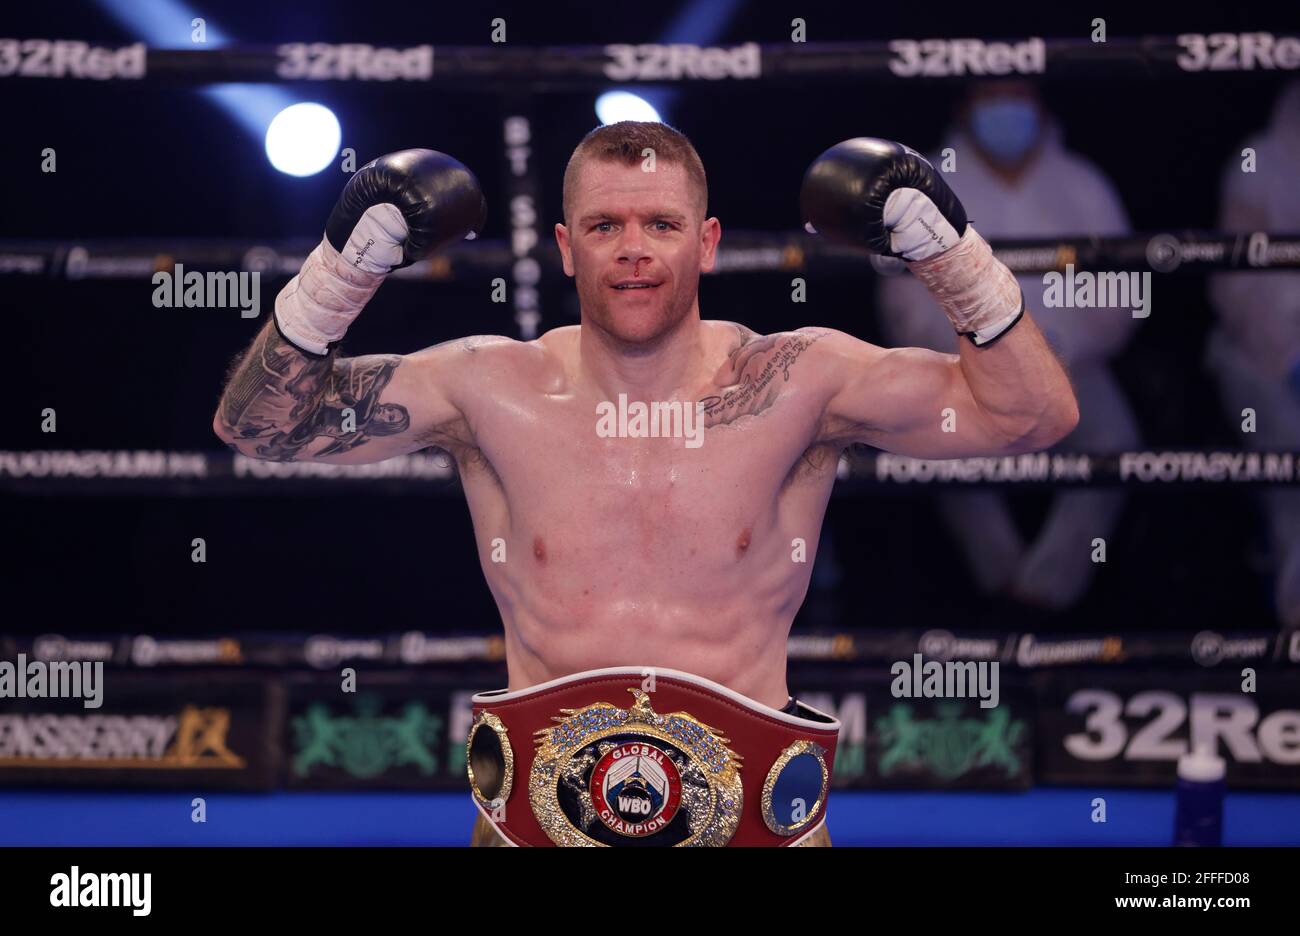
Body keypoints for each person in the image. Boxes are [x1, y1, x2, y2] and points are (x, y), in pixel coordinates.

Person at [213, 123, 1078, 846]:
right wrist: (343, 269)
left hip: (751, 820)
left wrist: (949, 253)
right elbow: (261, 429)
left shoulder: (796, 381)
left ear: (705, 242)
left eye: (661, 224)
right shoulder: (487, 388)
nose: (633, 251)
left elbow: (1032, 417)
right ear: (564, 246)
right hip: (534, 823)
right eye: (604, 226)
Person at [876, 80, 1140, 610]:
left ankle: (1045, 595)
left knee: (1117, 443)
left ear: (1041, 106)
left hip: (1071, 364)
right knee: (935, 442)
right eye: (992, 96)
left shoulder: (1082, 182)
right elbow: (898, 297)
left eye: (1018, 95)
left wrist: (1061, 347)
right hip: (960, 363)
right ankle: (998, 590)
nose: (1007, 111)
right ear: (964, 106)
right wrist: (971, 347)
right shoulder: (922, 182)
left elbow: (1124, 288)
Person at [1208, 80, 1300, 628]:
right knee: (1292, 469)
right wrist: (1288, 354)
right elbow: (1232, 283)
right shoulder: (1260, 162)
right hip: (1263, 357)